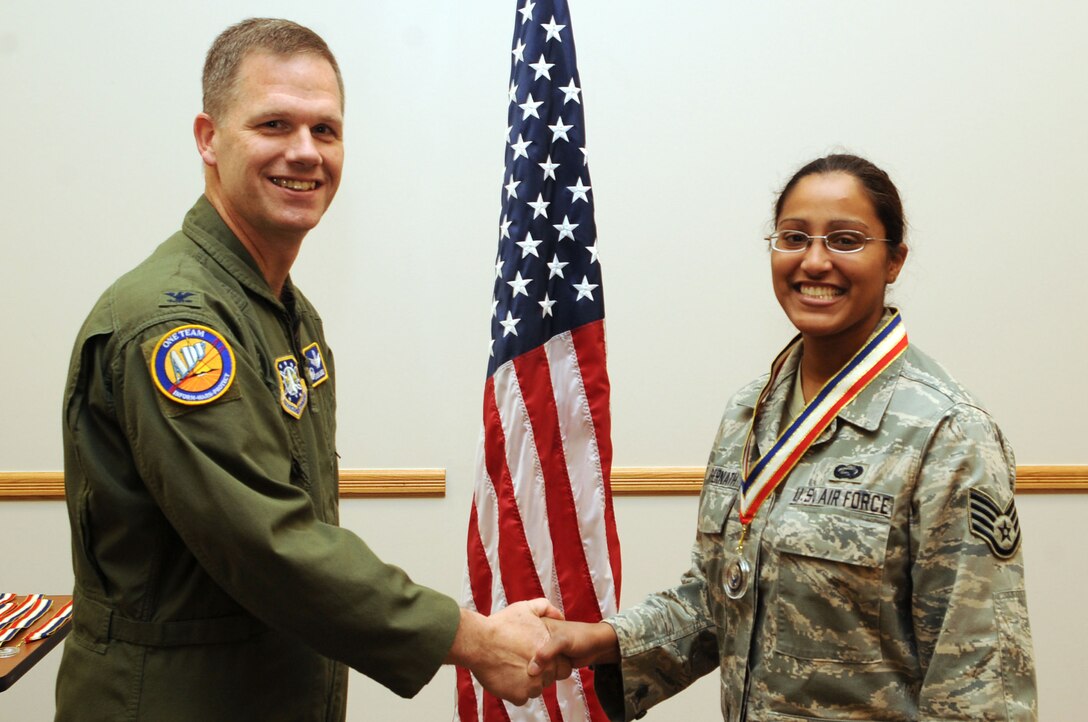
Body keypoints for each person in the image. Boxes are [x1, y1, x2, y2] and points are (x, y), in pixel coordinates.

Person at [56, 18, 560, 721]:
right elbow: (266, 543)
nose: (305, 152)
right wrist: (471, 639)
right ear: (209, 138)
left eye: (325, 130)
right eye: (274, 125)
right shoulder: (178, 327)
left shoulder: (285, 312)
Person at [529, 154, 1038, 720]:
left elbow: (979, 679)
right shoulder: (749, 412)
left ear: (894, 260)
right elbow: (715, 596)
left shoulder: (947, 433)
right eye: (794, 237)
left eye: (846, 240)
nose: (814, 262)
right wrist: (600, 640)